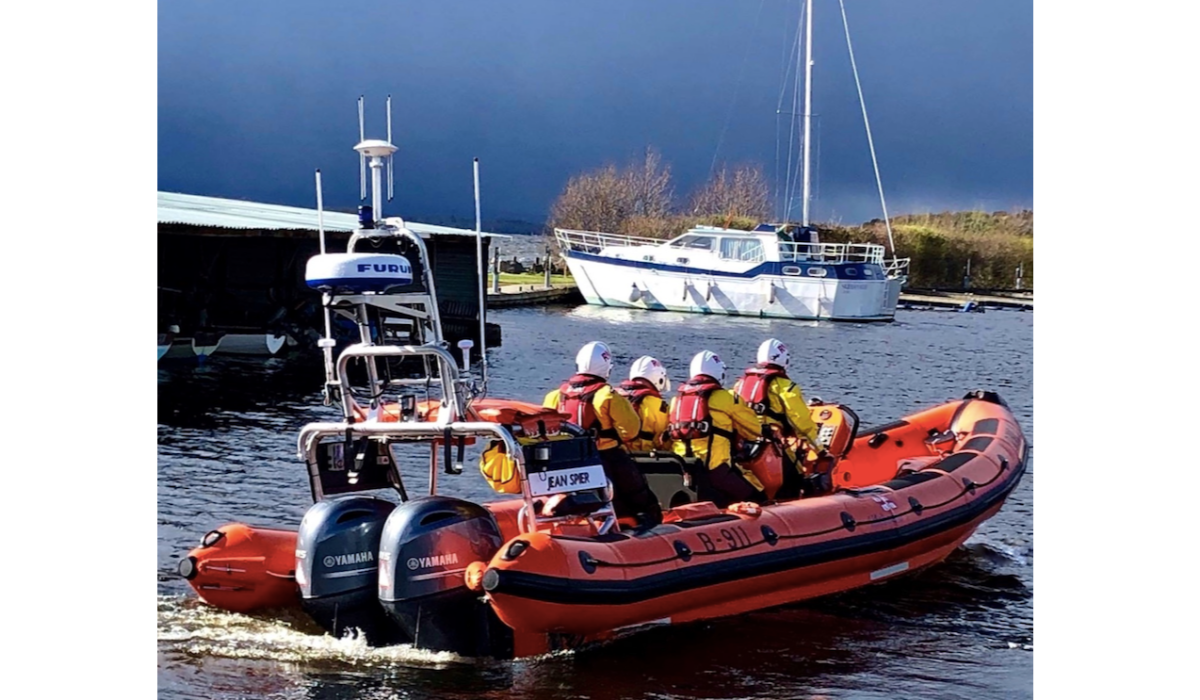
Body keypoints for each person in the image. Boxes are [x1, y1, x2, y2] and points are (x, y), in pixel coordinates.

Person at [543, 342, 663, 530]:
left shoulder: (556, 396)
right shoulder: (607, 395)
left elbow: (547, 430)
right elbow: (631, 429)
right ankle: (642, 526)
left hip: (568, 460)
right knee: (639, 496)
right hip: (606, 459)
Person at [667, 351, 769, 508]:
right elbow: (754, 429)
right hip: (717, 470)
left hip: (682, 471)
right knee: (759, 496)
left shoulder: (675, 401)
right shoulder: (727, 398)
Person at [733, 338, 829, 499]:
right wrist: (820, 450)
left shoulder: (739, 385)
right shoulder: (785, 386)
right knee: (797, 474)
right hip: (770, 444)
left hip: (742, 445)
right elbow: (802, 423)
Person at [615, 356, 673, 454]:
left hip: (615, 455)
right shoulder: (657, 405)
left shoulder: (615, 396)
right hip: (643, 459)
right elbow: (663, 441)